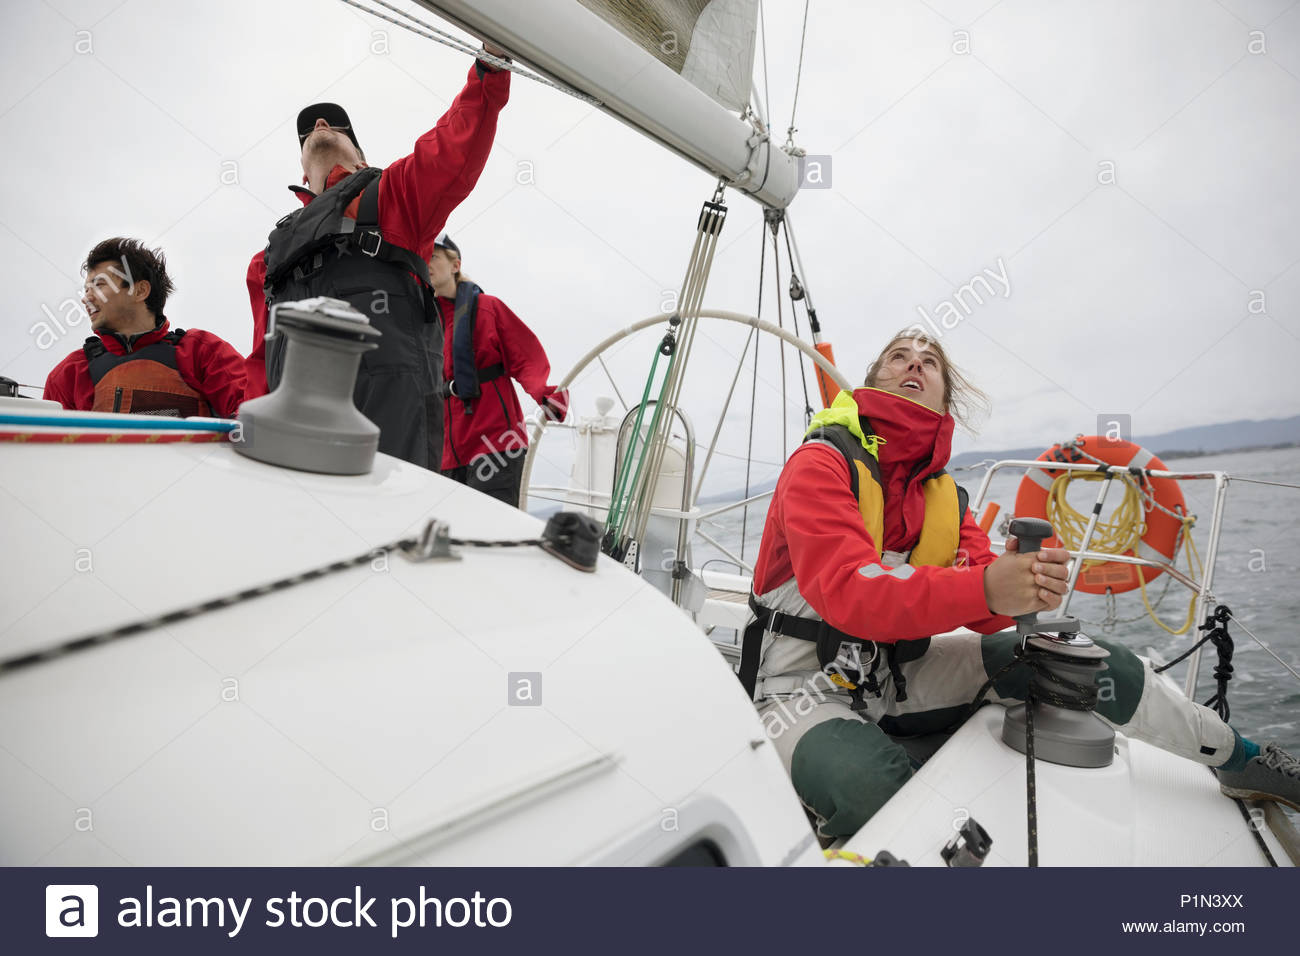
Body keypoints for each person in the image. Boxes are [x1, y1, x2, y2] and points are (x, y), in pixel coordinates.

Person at [743, 330, 1300, 838]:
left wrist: (1022, 584)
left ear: (945, 398)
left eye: (930, 361)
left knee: (1088, 660)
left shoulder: (944, 498)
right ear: (872, 382)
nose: (915, 362)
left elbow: (987, 612)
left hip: (896, 674)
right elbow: (848, 590)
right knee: (872, 790)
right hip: (800, 690)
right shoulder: (820, 465)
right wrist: (985, 587)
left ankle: (1242, 760)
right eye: (898, 357)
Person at [243, 45, 512, 469]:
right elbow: (260, 360)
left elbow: (455, 144)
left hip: (391, 435)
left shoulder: (395, 197)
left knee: (392, 529)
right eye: (310, 128)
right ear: (300, 173)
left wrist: (490, 66)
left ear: (362, 158)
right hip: (293, 437)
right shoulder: (267, 259)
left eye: (337, 127)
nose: (320, 124)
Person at [428, 234, 568, 505]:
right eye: (423, 256)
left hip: (495, 443)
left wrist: (545, 393)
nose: (427, 263)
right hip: (445, 452)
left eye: (434, 256)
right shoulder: (425, 322)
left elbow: (525, 355)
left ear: (455, 265)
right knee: (452, 532)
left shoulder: (488, 308)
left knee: (489, 529)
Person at [43, 238, 245, 417]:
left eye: (99, 285)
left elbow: (251, 418)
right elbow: (49, 451)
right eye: (86, 289)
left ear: (140, 291)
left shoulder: (203, 352)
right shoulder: (69, 373)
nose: (86, 297)